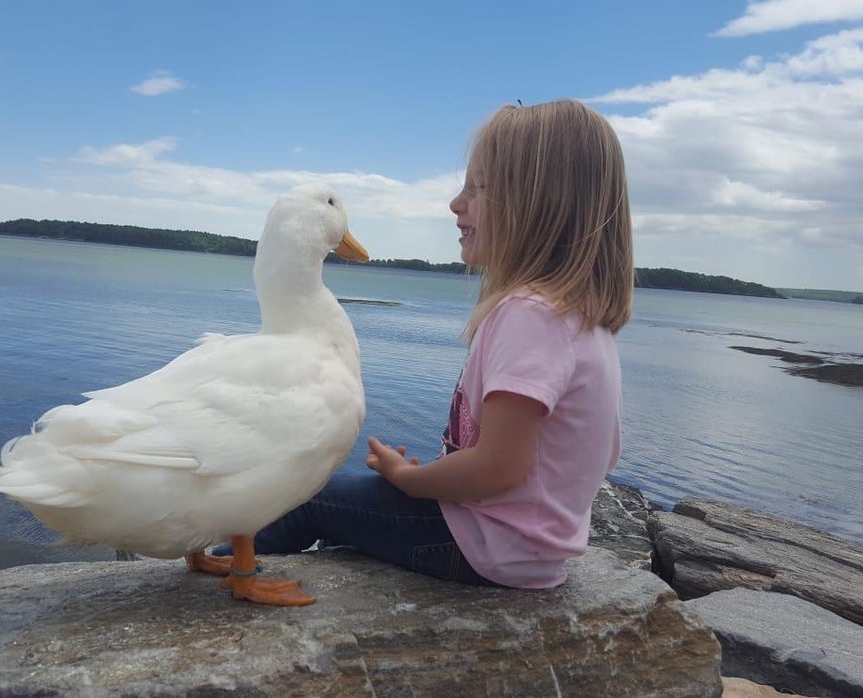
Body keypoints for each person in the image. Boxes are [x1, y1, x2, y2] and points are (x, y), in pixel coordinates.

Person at [217, 99, 633, 589]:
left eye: (478, 188)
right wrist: (441, 477)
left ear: (541, 206)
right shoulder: (583, 322)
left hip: (481, 543)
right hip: (527, 548)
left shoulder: (530, 317)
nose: (456, 203)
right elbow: (600, 453)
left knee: (306, 499)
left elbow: (497, 469)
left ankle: (215, 574)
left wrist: (407, 479)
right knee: (354, 515)